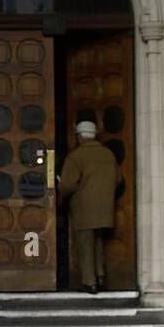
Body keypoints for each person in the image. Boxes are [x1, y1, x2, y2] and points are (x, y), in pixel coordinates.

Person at [57, 119, 124, 293]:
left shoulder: (76, 156)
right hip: (105, 207)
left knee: (85, 244)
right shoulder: (108, 154)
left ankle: (90, 282)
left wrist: (61, 197)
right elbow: (118, 179)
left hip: (83, 206)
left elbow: (67, 184)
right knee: (98, 242)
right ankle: (100, 276)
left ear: (79, 137)